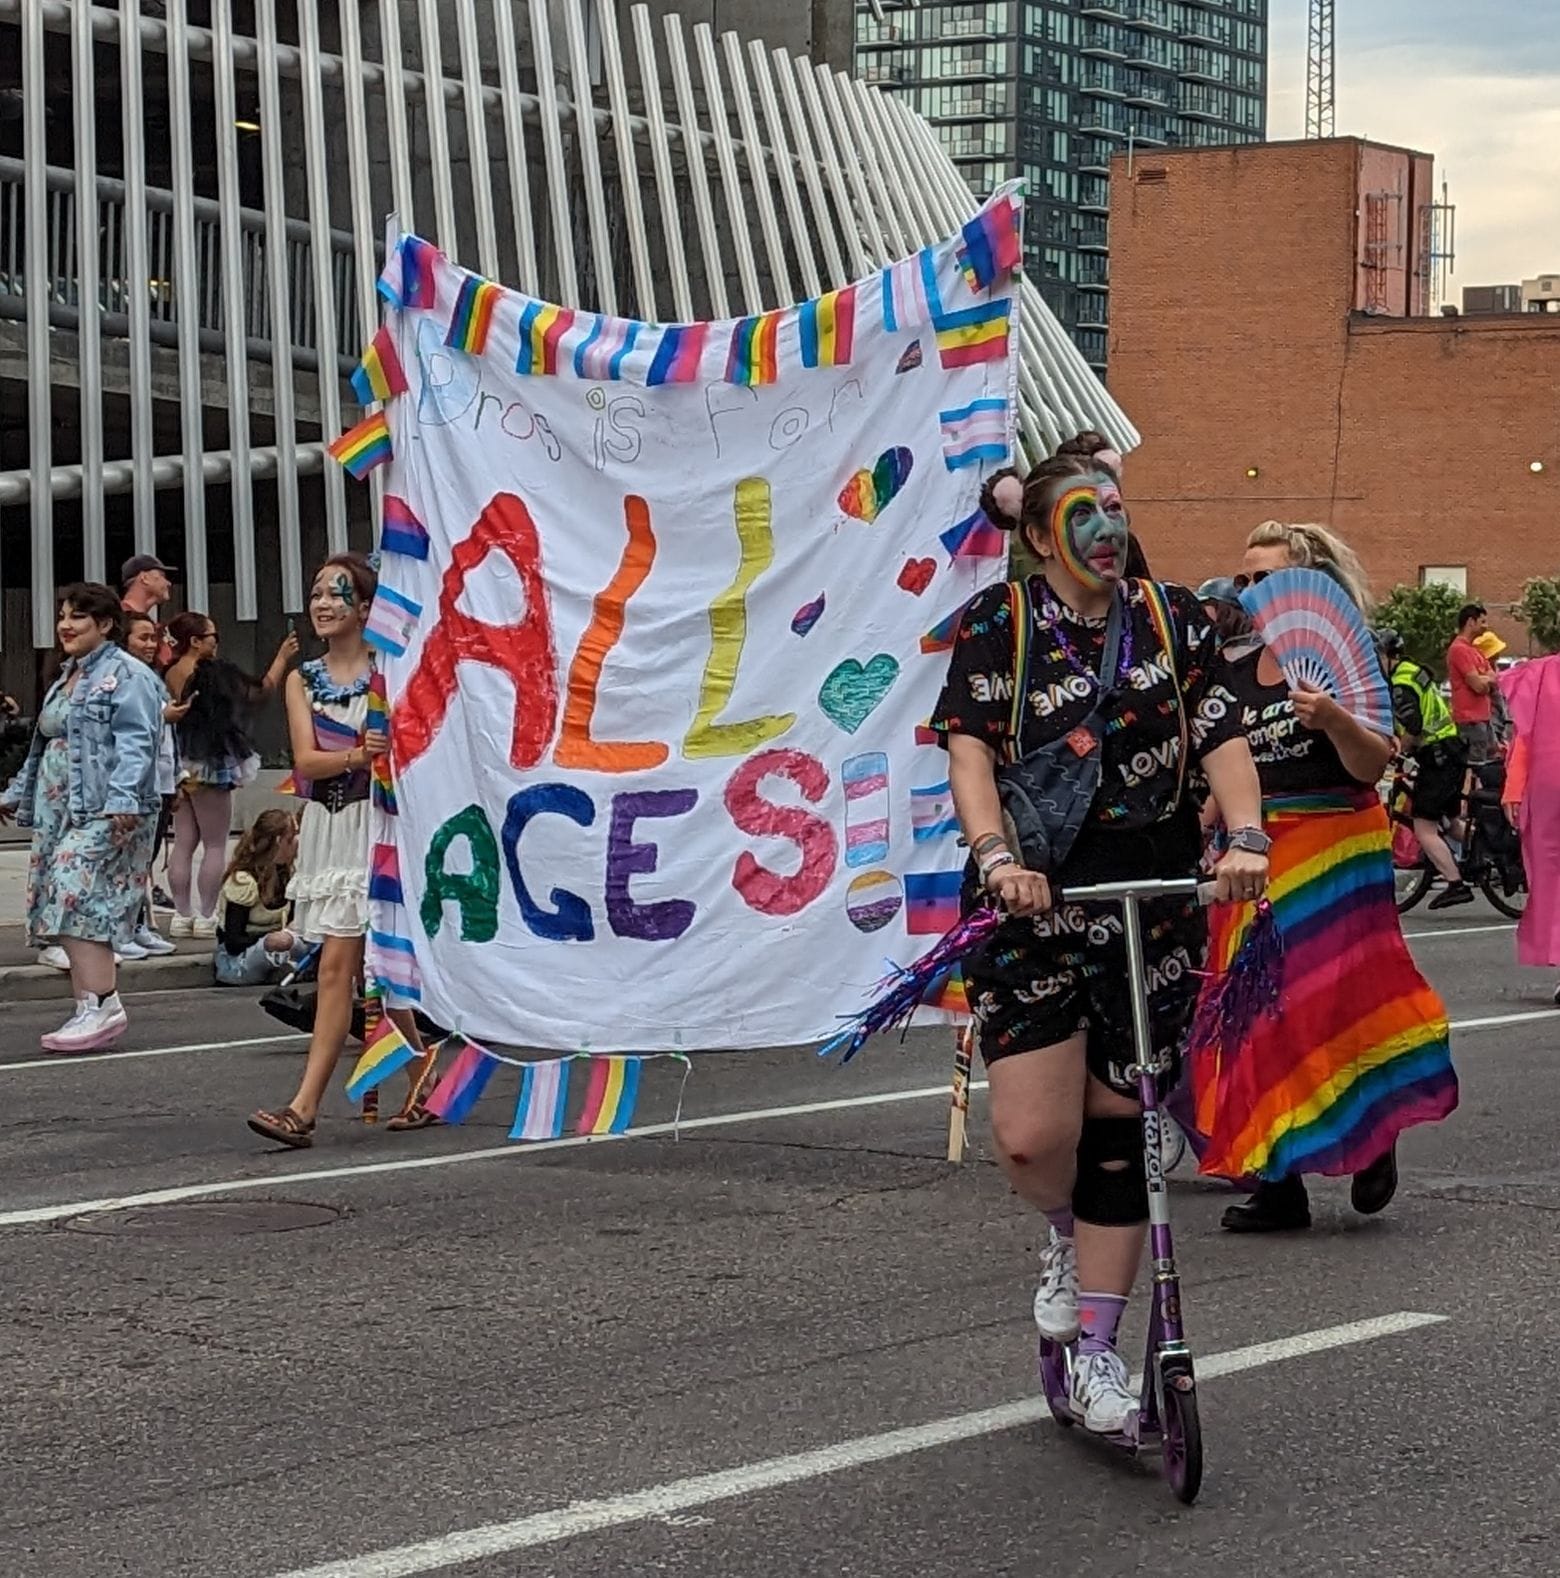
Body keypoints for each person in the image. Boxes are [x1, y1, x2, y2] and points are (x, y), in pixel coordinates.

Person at [935, 446, 1269, 1435]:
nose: (1106, 528)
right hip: (1035, 900)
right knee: (1036, 1137)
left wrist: (1246, 836)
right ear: (1041, 536)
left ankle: (1097, 1354)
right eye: (1084, 513)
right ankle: (1062, 1231)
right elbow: (971, 759)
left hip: (1154, 895)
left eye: (1115, 508)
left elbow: (1224, 738)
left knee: (1122, 1134)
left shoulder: (1179, 619)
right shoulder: (1000, 625)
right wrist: (997, 857)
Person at [1192, 523, 1457, 1232]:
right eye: (1245, 579)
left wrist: (1335, 718)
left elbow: (1372, 763)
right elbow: (1225, 753)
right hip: (1253, 850)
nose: (1252, 592)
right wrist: (1209, 822)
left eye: (1267, 578)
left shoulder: (1341, 659)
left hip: (1337, 846)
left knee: (1333, 1006)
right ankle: (1277, 1181)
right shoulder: (1234, 666)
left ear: (1307, 586)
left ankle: (1372, 1132)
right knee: (1253, 1011)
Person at [247, 553, 431, 1145]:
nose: (323, 604)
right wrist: (362, 753)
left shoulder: (394, 672)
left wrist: (386, 752)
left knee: (337, 968)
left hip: (377, 826)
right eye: (317, 593)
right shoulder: (302, 677)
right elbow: (305, 760)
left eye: (338, 594)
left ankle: (302, 1108)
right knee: (365, 971)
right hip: (328, 829)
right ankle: (426, 1071)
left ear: (366, 607)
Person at [0, 585, 163, 1052]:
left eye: (78, 618)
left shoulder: (126, 675)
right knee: (63, 896)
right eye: (63, 617)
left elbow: (137, 742)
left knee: (77, 889)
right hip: (59, 807)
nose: (66, 626)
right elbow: (44, 744)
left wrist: (124, 800)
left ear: (106, 625)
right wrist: (15, 794)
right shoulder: (67, 675)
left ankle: (103, 1003)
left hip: (104, 807)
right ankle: (88, 1007)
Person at [164, 618, 296, 936]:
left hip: (178, 761)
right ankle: (207, 915)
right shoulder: (215, 673)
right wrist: (281, 658)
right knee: (214, 844)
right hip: (212, 759)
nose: (216, 642)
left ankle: (182, 915)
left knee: (182, 842)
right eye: (213, 636)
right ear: (195, 641)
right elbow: (259, 690)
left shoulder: (168, 672)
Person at [1384, 630, 1473, 909]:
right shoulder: (1414, 671)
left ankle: (1455, 883)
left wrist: (1400, 751)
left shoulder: (1400, 683)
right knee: (1449, 821)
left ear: (1389, 657)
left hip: (1437, 757)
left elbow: (1413, 727)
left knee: (1424, 828)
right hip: (1450, 751)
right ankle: (1487, 849)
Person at [1500, 654, 1560, 1004]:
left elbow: (1525, 733)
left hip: (1548, 793)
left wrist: (1515, 787)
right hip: (1547, 793)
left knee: (1552, 882)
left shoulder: (1540, 674)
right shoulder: (1541, 673)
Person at [215, 809, 307, 986]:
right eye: (292, 837)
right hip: (239, 959)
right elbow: (232, 942)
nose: (297, 842)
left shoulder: (288, 875)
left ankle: (287, 969)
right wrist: (268, 940)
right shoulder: (244, 881)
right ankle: (286, 969)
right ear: (280, 842)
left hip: (280, 951)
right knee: (280, 946)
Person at [1446, 602, 1499, 765]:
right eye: (1482, 622)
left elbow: (1494, 679)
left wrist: (1485, 678)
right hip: (1470, 720)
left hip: (1483, 718)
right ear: (1471, 622)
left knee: (1489, 763)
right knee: (1475, 766)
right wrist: (1485, 679)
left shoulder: (1475, 650)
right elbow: (1478, 686)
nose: (1486, 626)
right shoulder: (1459, 649)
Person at [120, 554, 177, 667]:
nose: (168, 583)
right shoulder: (118, 620)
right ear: (144, 578)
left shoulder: (151, 625)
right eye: (162, 576)